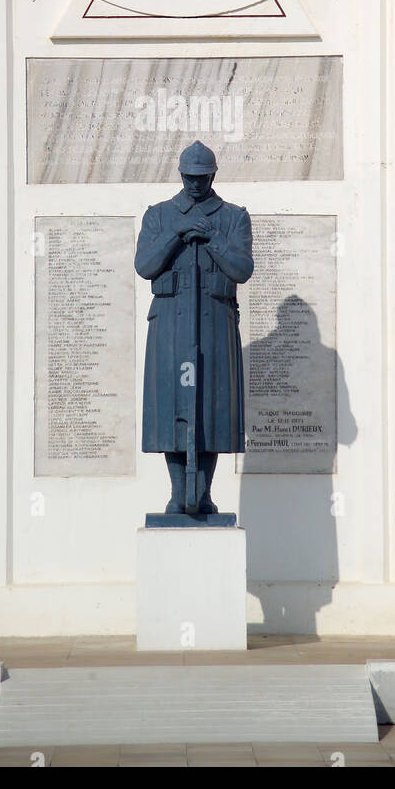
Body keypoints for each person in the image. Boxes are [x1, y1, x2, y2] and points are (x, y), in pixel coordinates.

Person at [134, 140, 253, 515]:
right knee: (171, 406)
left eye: (202, 177)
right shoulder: (159, 215)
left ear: (213, 175)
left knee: (212, 408)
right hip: (170, 327)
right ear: (180, 174)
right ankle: (177, 493)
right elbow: (145, 266)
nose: (195, 184)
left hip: (215, 326)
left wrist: (211, 237)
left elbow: (242, 269)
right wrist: (178, 231)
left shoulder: (234, 217)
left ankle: (203, 495)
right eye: (189, 176)